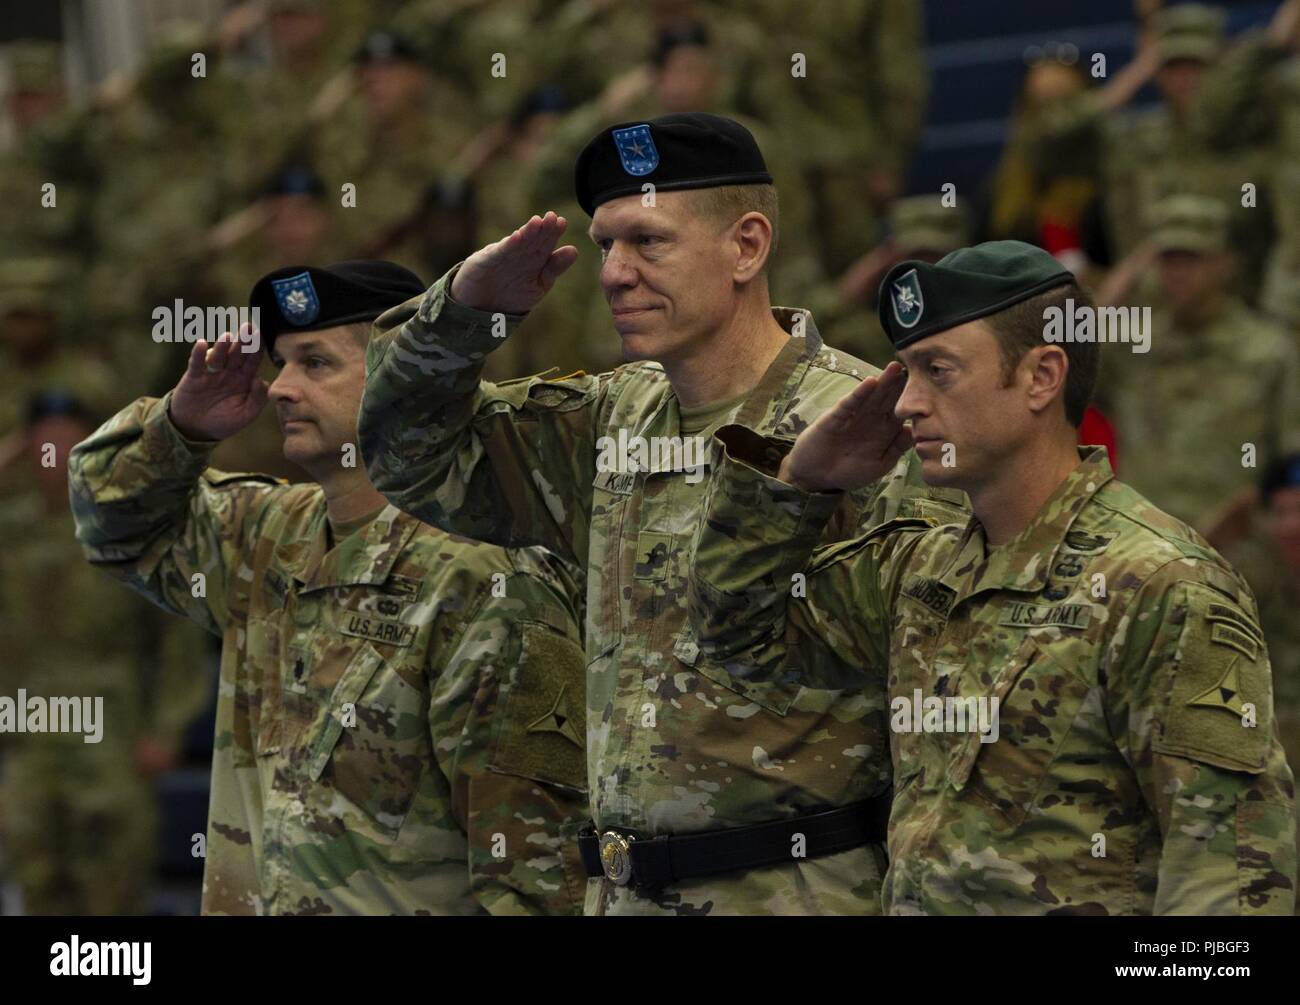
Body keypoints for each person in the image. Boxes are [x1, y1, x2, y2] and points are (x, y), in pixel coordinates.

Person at [360, 113, 965, 915]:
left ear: (747, 247)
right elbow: (407, 453)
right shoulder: (610, 422)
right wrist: (465, 311)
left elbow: (946, 720)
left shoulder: (868, 430)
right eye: (605, 243)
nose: (613, 273)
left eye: (648, 242)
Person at [687, 240, 1296, 914]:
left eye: (938, 371)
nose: (906, 404)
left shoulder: (1160, 583)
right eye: (906, 373)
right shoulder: (918, 567)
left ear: (1041, 376)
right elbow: (734, 633)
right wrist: (797, 485)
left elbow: (1231, 880)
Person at [70, 261, 589, 915]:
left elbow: (537, 878)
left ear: (401, 377)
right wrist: (181, 426)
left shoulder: (482, 578)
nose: (280, 388)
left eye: (314, 364)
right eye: (281, 362)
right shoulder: (265, 535)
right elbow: (111, 523)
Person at [0, 392, 209, 915]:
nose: (57, 454)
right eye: (45, 443)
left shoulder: (125, 528)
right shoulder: (11, 531)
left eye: (71, 442)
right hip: (27, 735)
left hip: (111, 735)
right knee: (37, 880)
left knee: (112, 889)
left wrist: (166, 727)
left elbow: (176, 635)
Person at [1101, 195, 1300, 530]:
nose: (1177, 273)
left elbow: (1290, 460)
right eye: (1168, 260)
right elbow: (1070, 348)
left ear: (1225, 263)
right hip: (1139, 542)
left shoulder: (1267, 351)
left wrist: (1252, 508)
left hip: (1236, 550)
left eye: (1192, 259)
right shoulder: (1134, 343)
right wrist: (1130, 272)